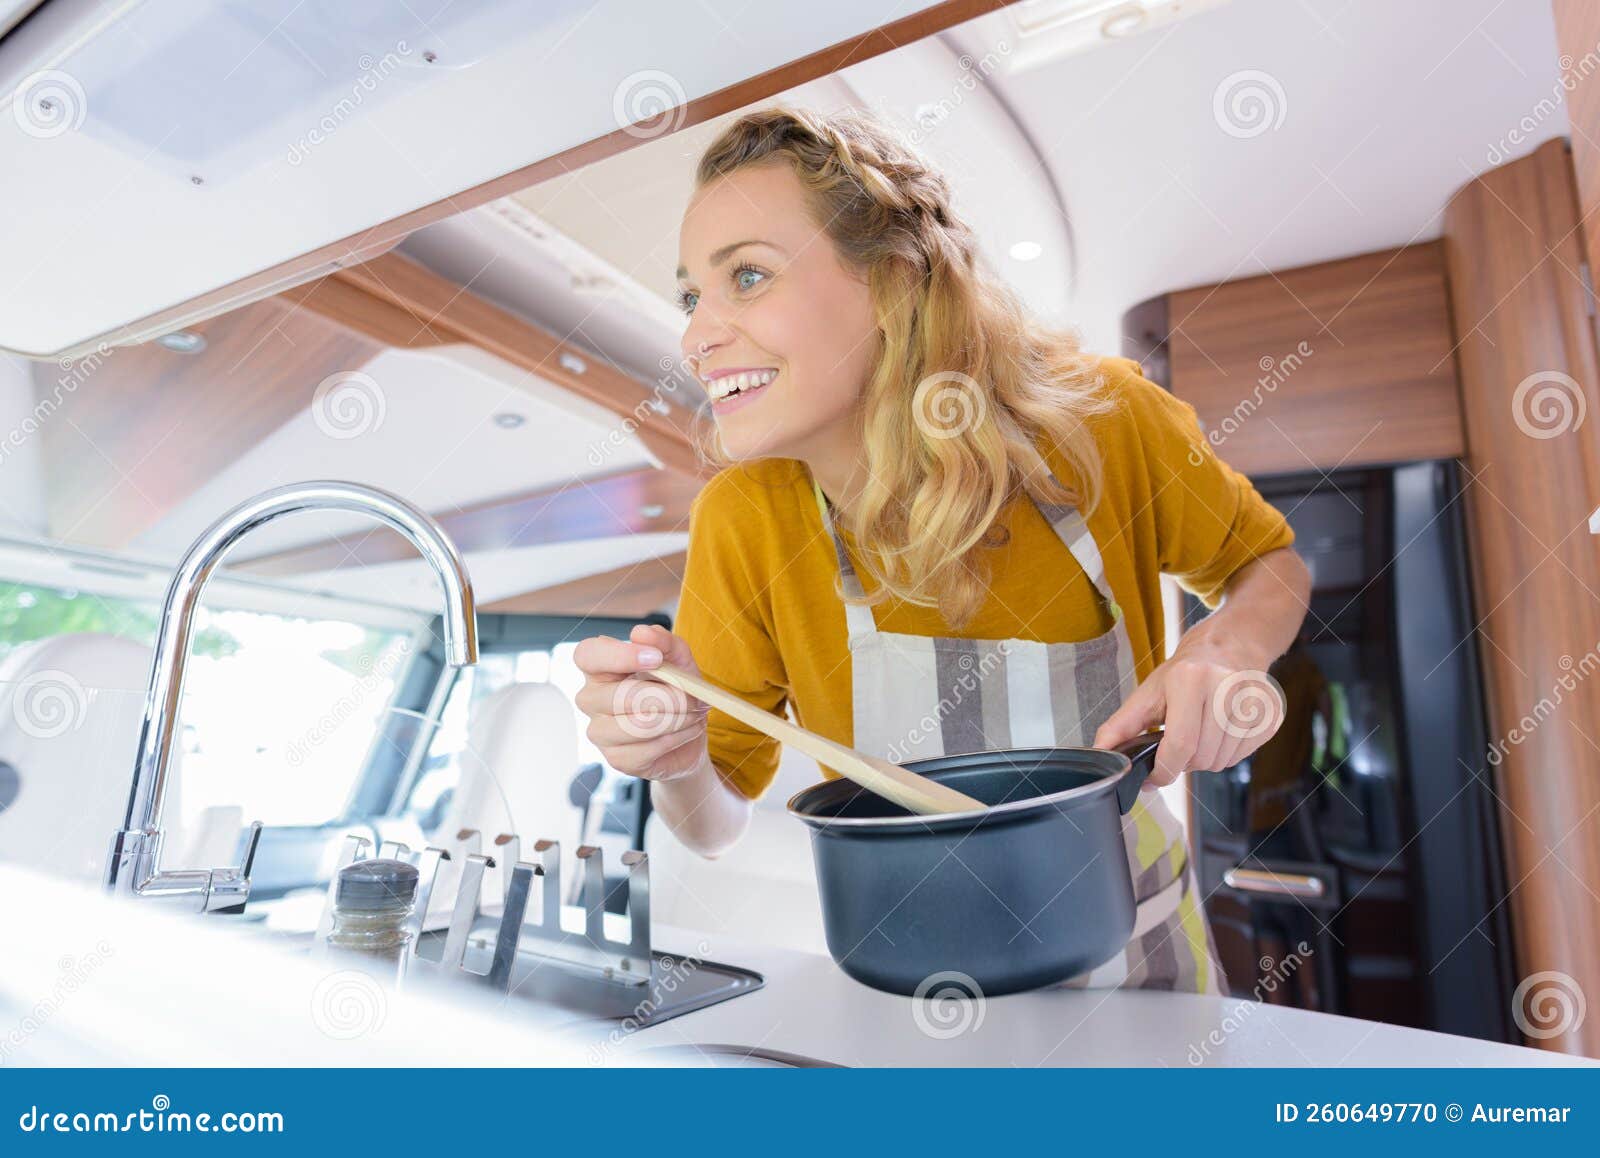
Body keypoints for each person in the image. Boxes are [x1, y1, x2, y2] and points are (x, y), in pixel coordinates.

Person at [574, 107, 1310, 993]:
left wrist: (1223, 651)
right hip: (910, 986)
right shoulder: (747, 518)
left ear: (889, 282)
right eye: (693, 296)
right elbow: (714, 826)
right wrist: (680, 758)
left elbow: (1269, 564)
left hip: (1143, 960)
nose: (695, 336)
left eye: (749, 277)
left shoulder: (1105, 425)